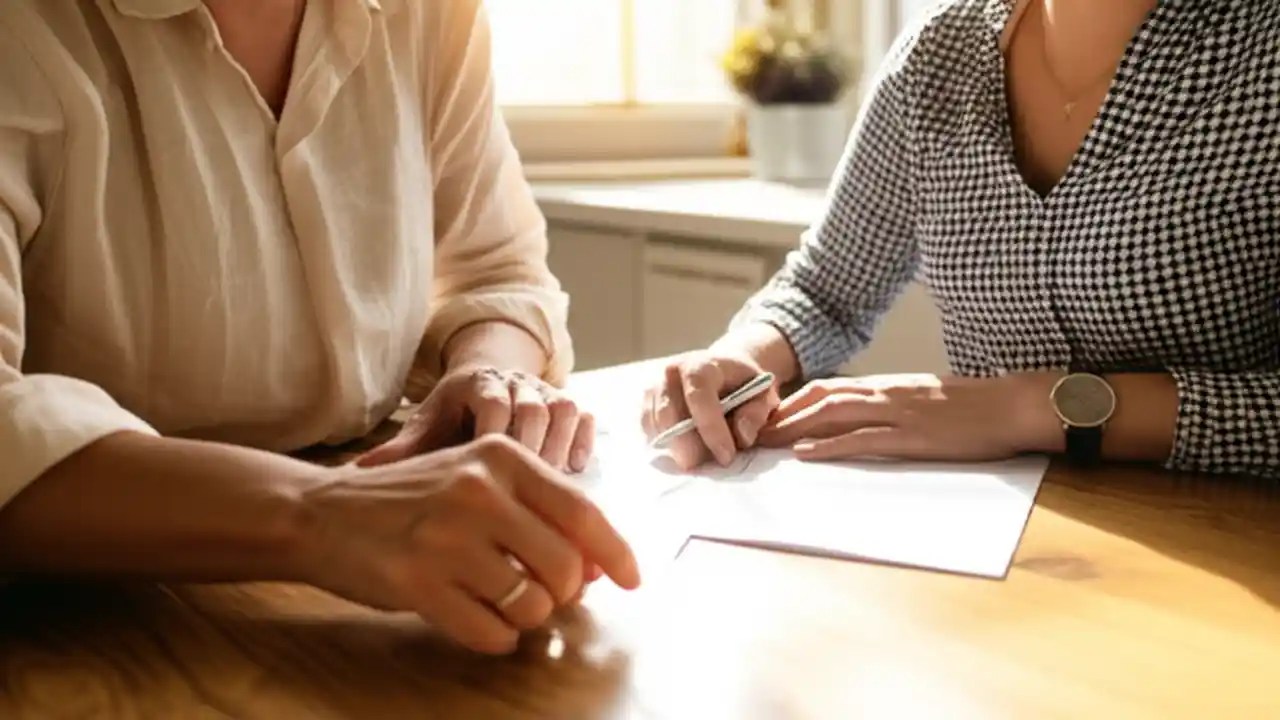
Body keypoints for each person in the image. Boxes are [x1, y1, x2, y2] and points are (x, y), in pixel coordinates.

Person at [0, 0, 639, 656]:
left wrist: (487, 372)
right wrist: (322, 511)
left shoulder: (431, 15)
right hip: (91, 628)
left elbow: (497, 272)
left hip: (376, 589)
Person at [645, 0, 1280, 479]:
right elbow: (826, 291)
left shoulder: (1262, 52)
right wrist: (747, 354)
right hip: (990, 539)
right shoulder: (937, 55)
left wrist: (1035, 409)